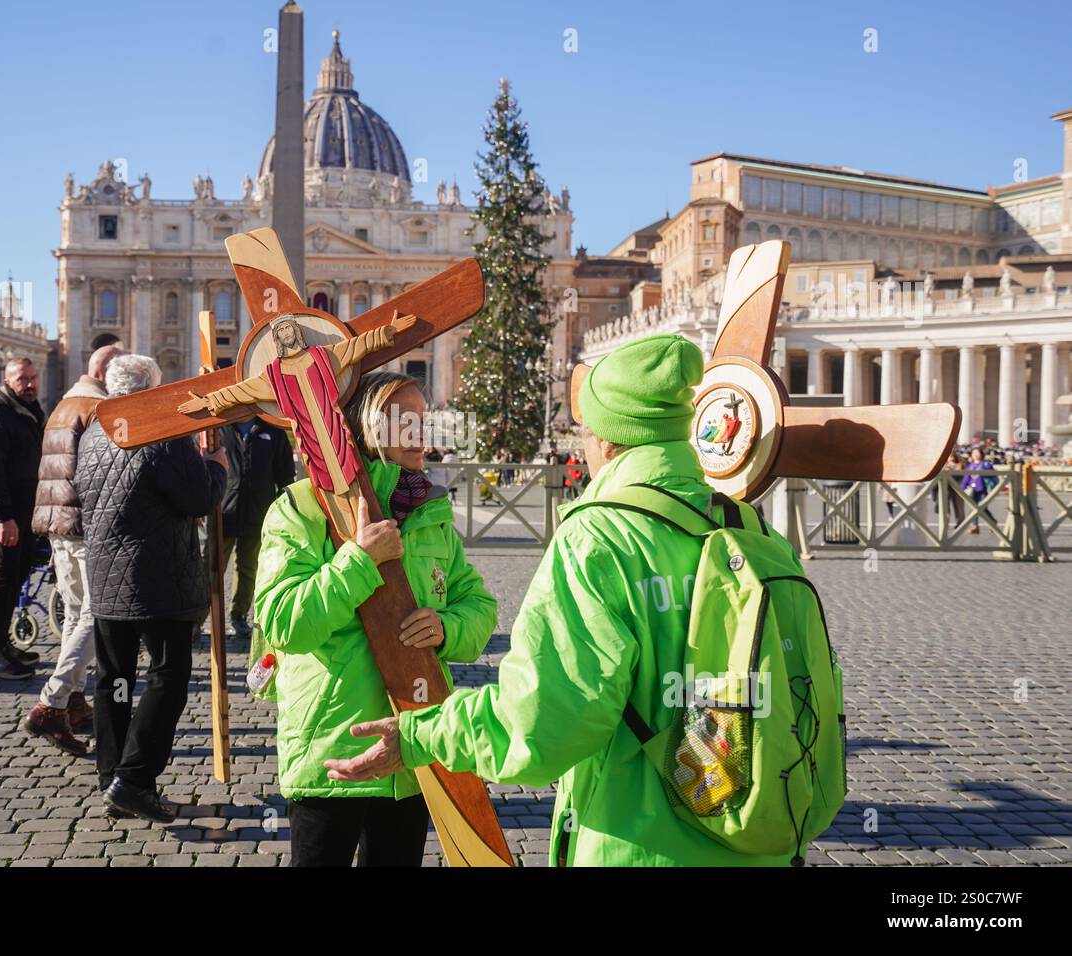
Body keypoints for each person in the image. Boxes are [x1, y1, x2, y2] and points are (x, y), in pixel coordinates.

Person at [324, 335, 808, 866]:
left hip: (640, 842)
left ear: (607, 438)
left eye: (586, 430)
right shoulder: (755, 529)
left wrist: (422, 734)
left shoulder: (599, 538)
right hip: (760, 837)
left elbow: (541, 719)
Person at [253, 371, 498, 867]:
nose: (422, 435)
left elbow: (479, 606)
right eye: (406, 421)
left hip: (411, 744)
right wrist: (358, 563)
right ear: (364, 426)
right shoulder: (301, 509)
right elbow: (283, 622)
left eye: (425, 420)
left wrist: (448, 628)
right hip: (331, 748)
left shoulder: (429, 509)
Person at [74, 354, 228, 822]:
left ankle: (111, 774)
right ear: (151, 388)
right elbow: (199, 497)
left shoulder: (94, 433)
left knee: (115, 680)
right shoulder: (160, 429)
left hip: (105, 575)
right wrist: (217, 466)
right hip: (157, 577)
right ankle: (135, 779)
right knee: (168, 677)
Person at [23, 344, 123, 754]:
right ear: (108, 374)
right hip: (85, 523)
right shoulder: (98, 411)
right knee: (95, 613)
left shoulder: (61, 407)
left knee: (74, 613)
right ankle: (51, 702)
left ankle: (76, 703)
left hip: (56, 524)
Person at [0, 357, 46, 679]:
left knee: (15, 581)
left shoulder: (26, 410)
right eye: (22, 379)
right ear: (6, 381)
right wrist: (4, 517)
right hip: (9, 516)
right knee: (3, 582)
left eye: (32, 378)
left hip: (26, 513)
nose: (29, 384)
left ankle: (4, 645)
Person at [207, 413, 295, 640]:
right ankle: (198, 618)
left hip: (258, 513)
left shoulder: (272, 429)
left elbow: (285, 475)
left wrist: (284, 511)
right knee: (211, 567)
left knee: (248, 569)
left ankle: (238, 616)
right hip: (222, 512)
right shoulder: (219, 429)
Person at [960, 447, 997, 535]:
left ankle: (992, 522)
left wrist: (985, 471)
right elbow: (966, 478)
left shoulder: (986, 464)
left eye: (977, 453)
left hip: (983, 489)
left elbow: (992, 473)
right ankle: (975, 526)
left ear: (981, 454)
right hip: (972, 490)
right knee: (974, 508)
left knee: (983, 508)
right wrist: (962, 488)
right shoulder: (970, 466)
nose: (975, 455)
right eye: (974, 453)